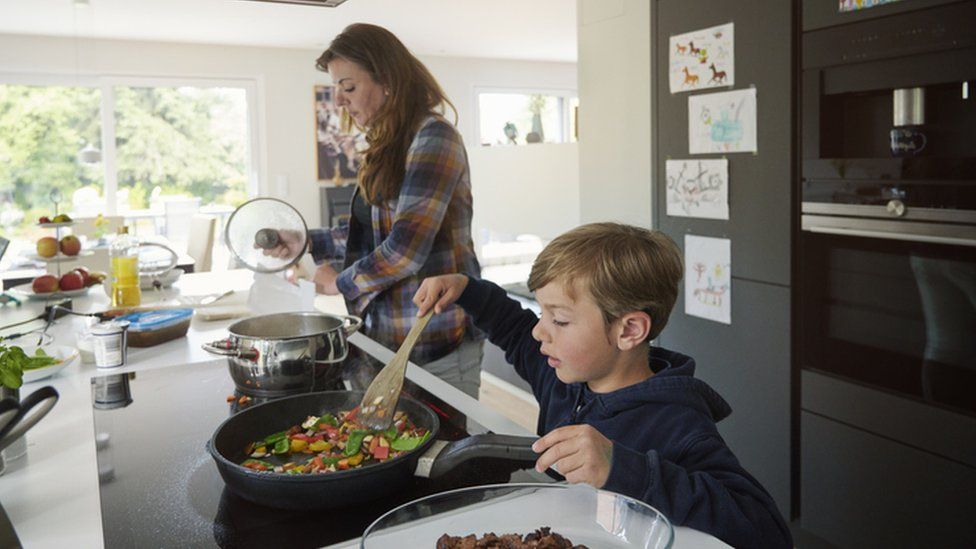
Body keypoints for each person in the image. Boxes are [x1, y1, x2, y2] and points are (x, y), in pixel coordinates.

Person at [413, 223, 792, 548]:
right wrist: (464, 288)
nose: (539, 330)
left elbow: (767, 532)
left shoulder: (677, 422)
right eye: (542, 311)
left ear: (628, 330)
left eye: (559, 319)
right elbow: (513, 326)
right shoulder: (562, 376)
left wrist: (624, 469)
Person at [267, 23, 483, 397]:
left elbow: (404, 249)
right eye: (336, 88)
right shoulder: (387, 145)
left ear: (389, 81)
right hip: (387, 340)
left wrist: (339, 282)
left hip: (434, 339)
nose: (339, 100)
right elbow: (371, 233)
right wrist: (303, 241)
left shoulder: (433, 137)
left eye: (348, 87)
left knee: (442, 454)